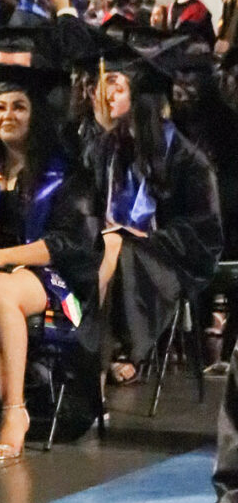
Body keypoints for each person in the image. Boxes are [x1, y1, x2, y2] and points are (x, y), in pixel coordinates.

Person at [0, 63, 101, 461]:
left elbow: (68, 243)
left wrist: (0, 258)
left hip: (54, 279)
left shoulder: (63, 173)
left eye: (19, 107)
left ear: (37, 114)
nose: (7, 116)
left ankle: (14, 412)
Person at [84, 43, 223, 384]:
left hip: (171, 258)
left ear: (139, 94)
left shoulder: (188, 159)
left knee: (115, 246)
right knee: (97, 245)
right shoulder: (111, 145)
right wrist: (100, 136)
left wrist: (141, 236)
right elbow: (87, 197)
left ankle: (96, 354)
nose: (107, 93)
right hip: (113, 247)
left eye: (117, 85)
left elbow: (205, 234)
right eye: (104, 84)